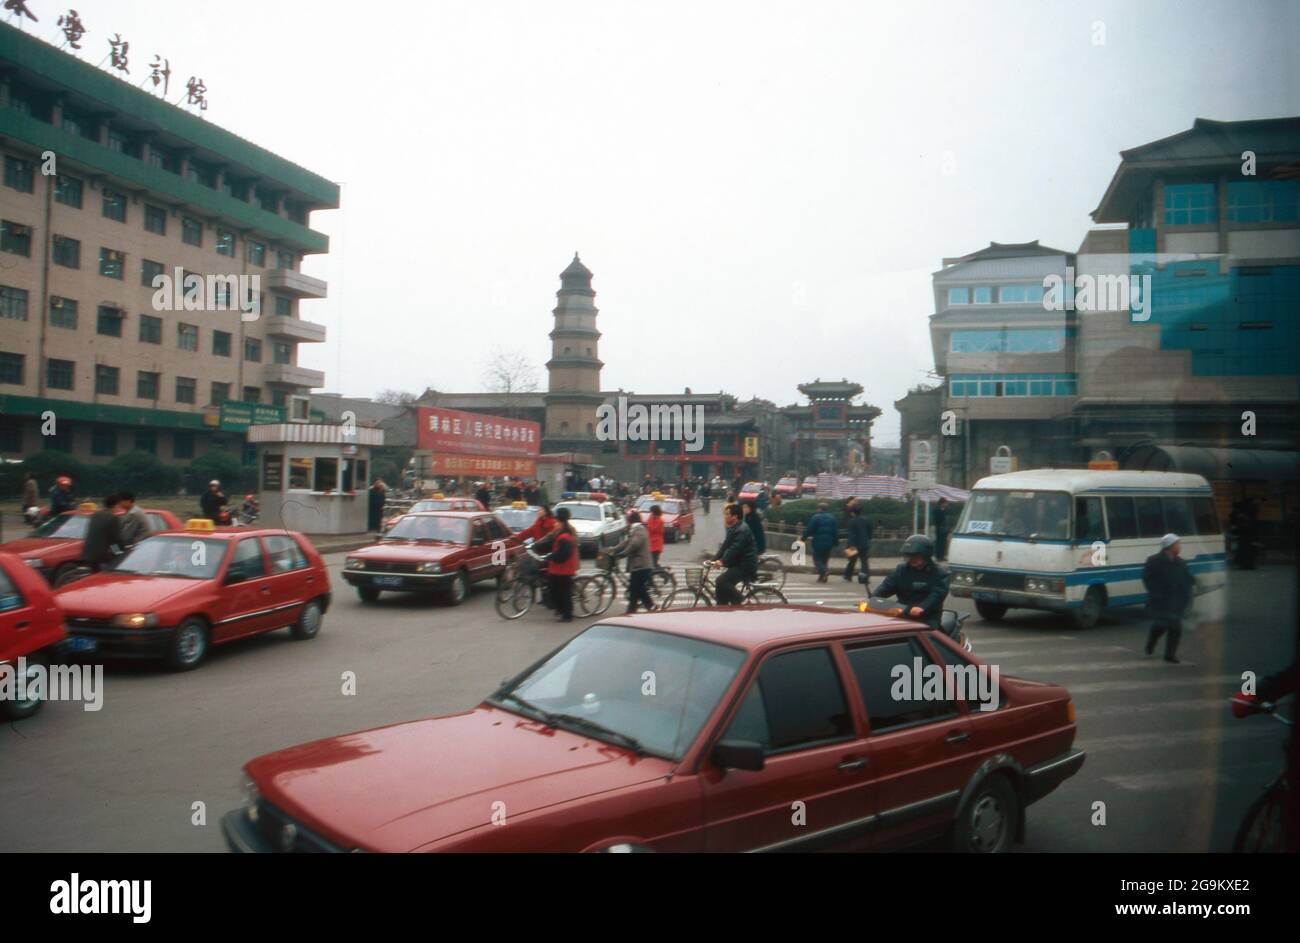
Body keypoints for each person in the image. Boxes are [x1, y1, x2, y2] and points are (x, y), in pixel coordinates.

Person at [874, 534, 949, 629]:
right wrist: (872, 599)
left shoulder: (938, 573)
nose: (912, 559)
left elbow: (937, 594)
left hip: (927, 617)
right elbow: (887, 586)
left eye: (916, 555)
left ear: (926, 555)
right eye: (909, 556)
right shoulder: (901, 570)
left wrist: (922, 607)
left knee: (929, 638)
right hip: (903, 613)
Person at [1142, 533, 1195, 664]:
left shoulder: (1181, 562)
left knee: (1176, 627)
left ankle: (1170, 655)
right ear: (1170, 546)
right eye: (1177, 544)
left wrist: (1187, 594)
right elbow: (1147, 578)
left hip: (1176, 601)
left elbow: (1187, 579)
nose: (1180, 547)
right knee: (1161, 626)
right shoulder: (1154, 560)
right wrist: (1155, 593)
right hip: (1160, 601)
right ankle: (1151, 642)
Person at [609, 510, 656, 613]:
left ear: (631, 521)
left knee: (635, 589)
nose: (627, 523)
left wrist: (623, 554)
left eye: (628, 521)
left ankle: (633, 611)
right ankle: (648, 608)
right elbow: (626, 543)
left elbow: (634, 544)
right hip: (638, 566)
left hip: (642, 566)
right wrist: (613, 549)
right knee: (638, 590)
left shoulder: (639, 530)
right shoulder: (634, 530)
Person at [710, 503, 758, 605]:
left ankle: (743, 601)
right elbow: (724, 547)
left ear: (735, 516)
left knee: (721, 581)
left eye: (727, 514)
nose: (725, 516)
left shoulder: (742, 530)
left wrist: (722, 561)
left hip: (746, 565)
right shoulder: (734, 528)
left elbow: (734, 549)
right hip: (738, 564)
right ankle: (722, 608)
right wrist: (713, 560)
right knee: (721, 586)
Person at [543, 507, 579, 622]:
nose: (555, 524)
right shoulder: (560, 534)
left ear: (562, 523)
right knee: (558, 591)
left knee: (564, 593)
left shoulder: (565, 536)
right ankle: (562, 610)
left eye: (557, 522)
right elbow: (548, 542)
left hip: (563, 569)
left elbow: (563, 554)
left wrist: (551, 557)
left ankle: (567, 614)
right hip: (558, 569)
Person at [82, 494, 123, 568]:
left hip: (88, 554)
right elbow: (114, 540)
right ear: (116, 505)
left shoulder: (95, 515)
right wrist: (119, 554)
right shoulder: (112, 518)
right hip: (102, 557)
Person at [803, 502, 839, 583]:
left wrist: (803, 539)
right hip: (829, 542)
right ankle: (822, 577)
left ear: (819, 509)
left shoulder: (816, 517)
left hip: (818, 542)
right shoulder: (832, 518)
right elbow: (835, 531)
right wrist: (836, 542)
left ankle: (824, 572)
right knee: (825, 560)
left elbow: (809, 530)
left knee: (817, 560)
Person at [844, 504, 874, 582]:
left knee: (852, 561)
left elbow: (851, 534)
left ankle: (848, 576)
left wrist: (851, 545)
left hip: (854, 545)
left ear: (853, 513)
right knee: (864, 562)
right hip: (864, 544)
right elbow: (870, 532)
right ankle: (864, 578)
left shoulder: (852, 521)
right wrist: (868, 539)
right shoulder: (867, 520)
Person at [645, 504, 666, 568]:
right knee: (652, 563)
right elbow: (648, 525)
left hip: (656, 545)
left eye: (651, 512)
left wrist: (647, 525)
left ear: (655, 512)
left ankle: (665, 574)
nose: (650, 513)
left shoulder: (660, 521)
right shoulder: (651, 519)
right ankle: (665, 574)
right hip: (651, 544)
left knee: (653, 563)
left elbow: (652, 529)